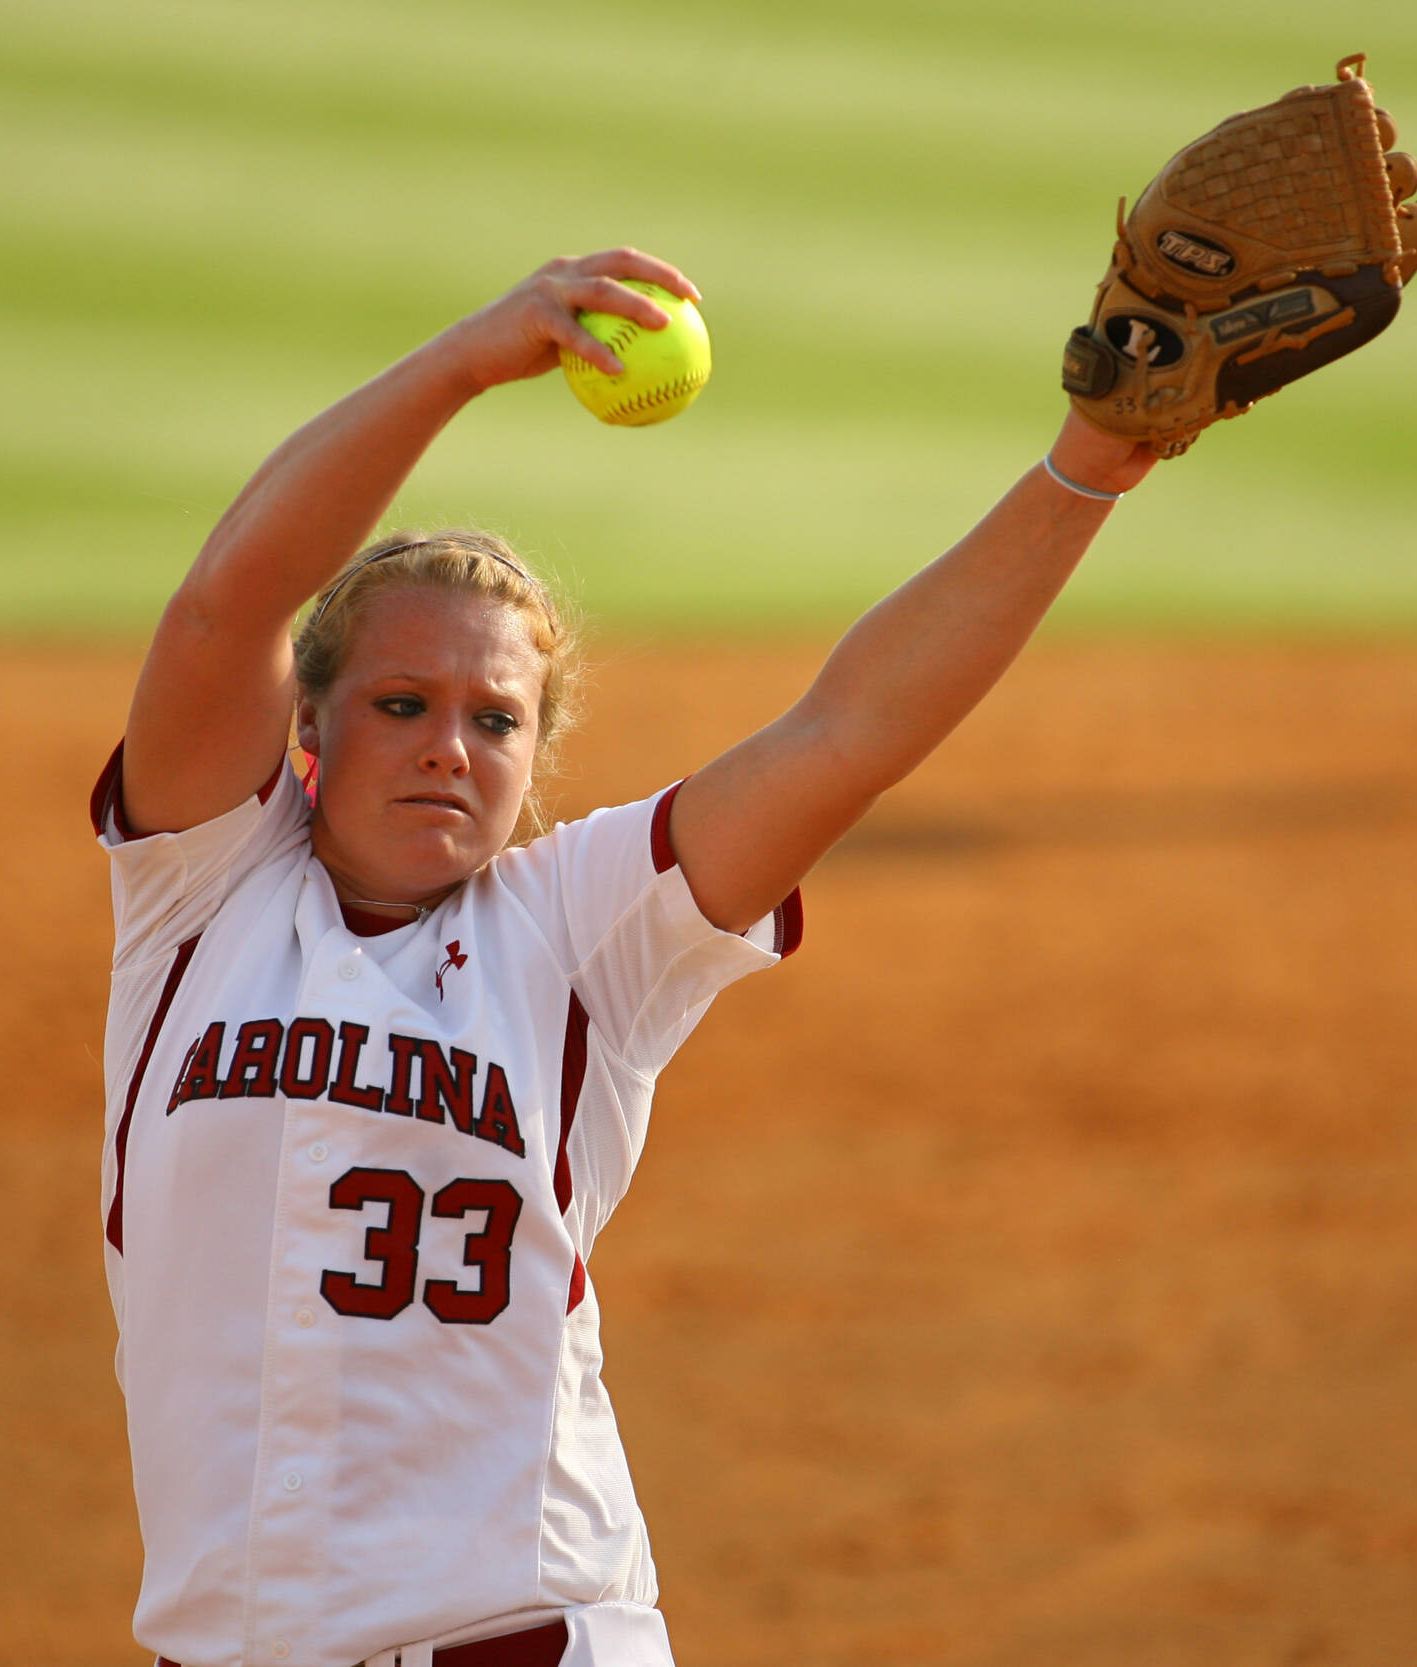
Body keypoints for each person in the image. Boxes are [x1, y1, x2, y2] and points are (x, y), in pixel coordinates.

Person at [88, 249, 1159, 1667]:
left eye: (496, 719)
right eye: (403, 701)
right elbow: (228, 603)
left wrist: (1092, 461)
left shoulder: (575, 927)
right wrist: (465, 360)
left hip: (522, 1639)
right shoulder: (199, 893)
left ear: (536, 760)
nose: (447, 745)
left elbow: (848, 731)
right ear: (311, 733)